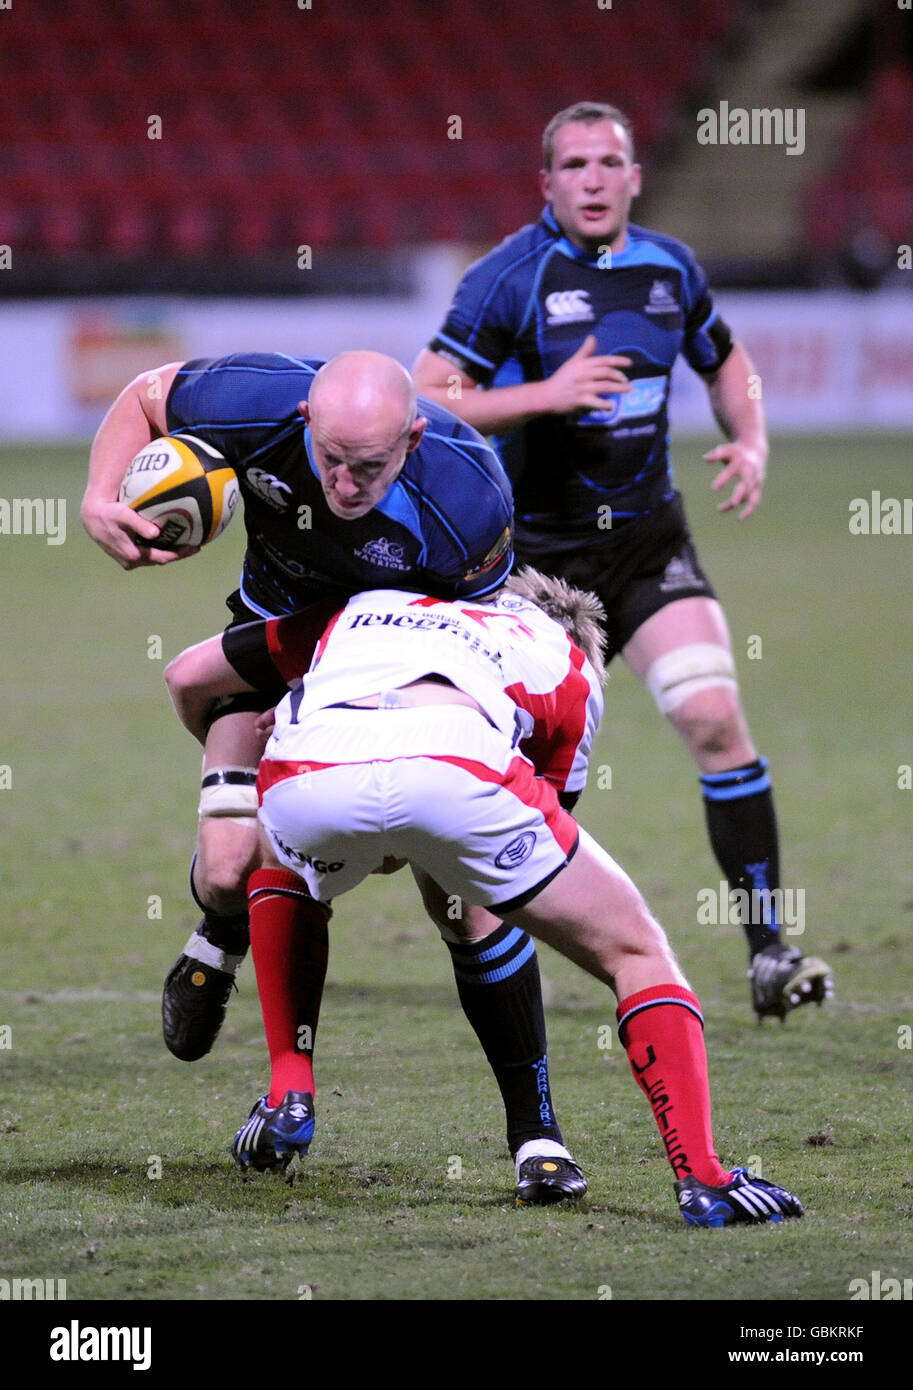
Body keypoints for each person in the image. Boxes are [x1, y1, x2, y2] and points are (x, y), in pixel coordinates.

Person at [81, 350, 582, 1204]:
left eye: (371, 467)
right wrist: (99, 498)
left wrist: (371, 744)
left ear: (414, 436)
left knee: (465, 901)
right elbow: (146, 396)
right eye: (331, 462)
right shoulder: (255, 402)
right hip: (274, 642)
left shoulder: (468, 501)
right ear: (306, 422)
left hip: (398, 672)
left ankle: (536, 1134)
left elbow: (471, 656)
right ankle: (222, 930)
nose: (346, 485)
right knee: (230, 867)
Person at [165, 577, 804, 1226]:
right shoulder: (566, 661)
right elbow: (538, 828)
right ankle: (702, 1178)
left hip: (310, 766)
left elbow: (189, 675)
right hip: (455, 766)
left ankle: (288, 1091)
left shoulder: (367, 604)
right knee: (633, 949)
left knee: (284, 864)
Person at [412, 101, 832, 1022]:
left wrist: (750, 437)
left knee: (717, 720)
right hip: (537, 572)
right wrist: (547, 393)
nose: (594, 179)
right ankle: (501, 955)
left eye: (610, 162)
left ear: (636, 177)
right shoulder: (508, 278)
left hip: (649, 545)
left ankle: (768, 951)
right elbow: (428, 395)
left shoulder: (668, 267)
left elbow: (726, 360)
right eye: (575, 165)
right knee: (513, 773)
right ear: (547, 183)